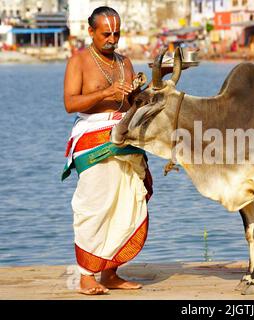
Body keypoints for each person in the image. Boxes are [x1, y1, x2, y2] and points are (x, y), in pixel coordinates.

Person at [62, 6, 154, 295]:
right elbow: (70, 104)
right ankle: (86, 275)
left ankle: (110, 273)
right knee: (95, 206)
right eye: (106, 33)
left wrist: (139, 95)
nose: (112, 38)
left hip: (124, 137)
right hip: (92, 139)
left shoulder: (124, 62)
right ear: (91, 32)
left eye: (117, 33)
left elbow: (128, 106)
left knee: (127, 204)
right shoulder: (78, 62)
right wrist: (106, 93)